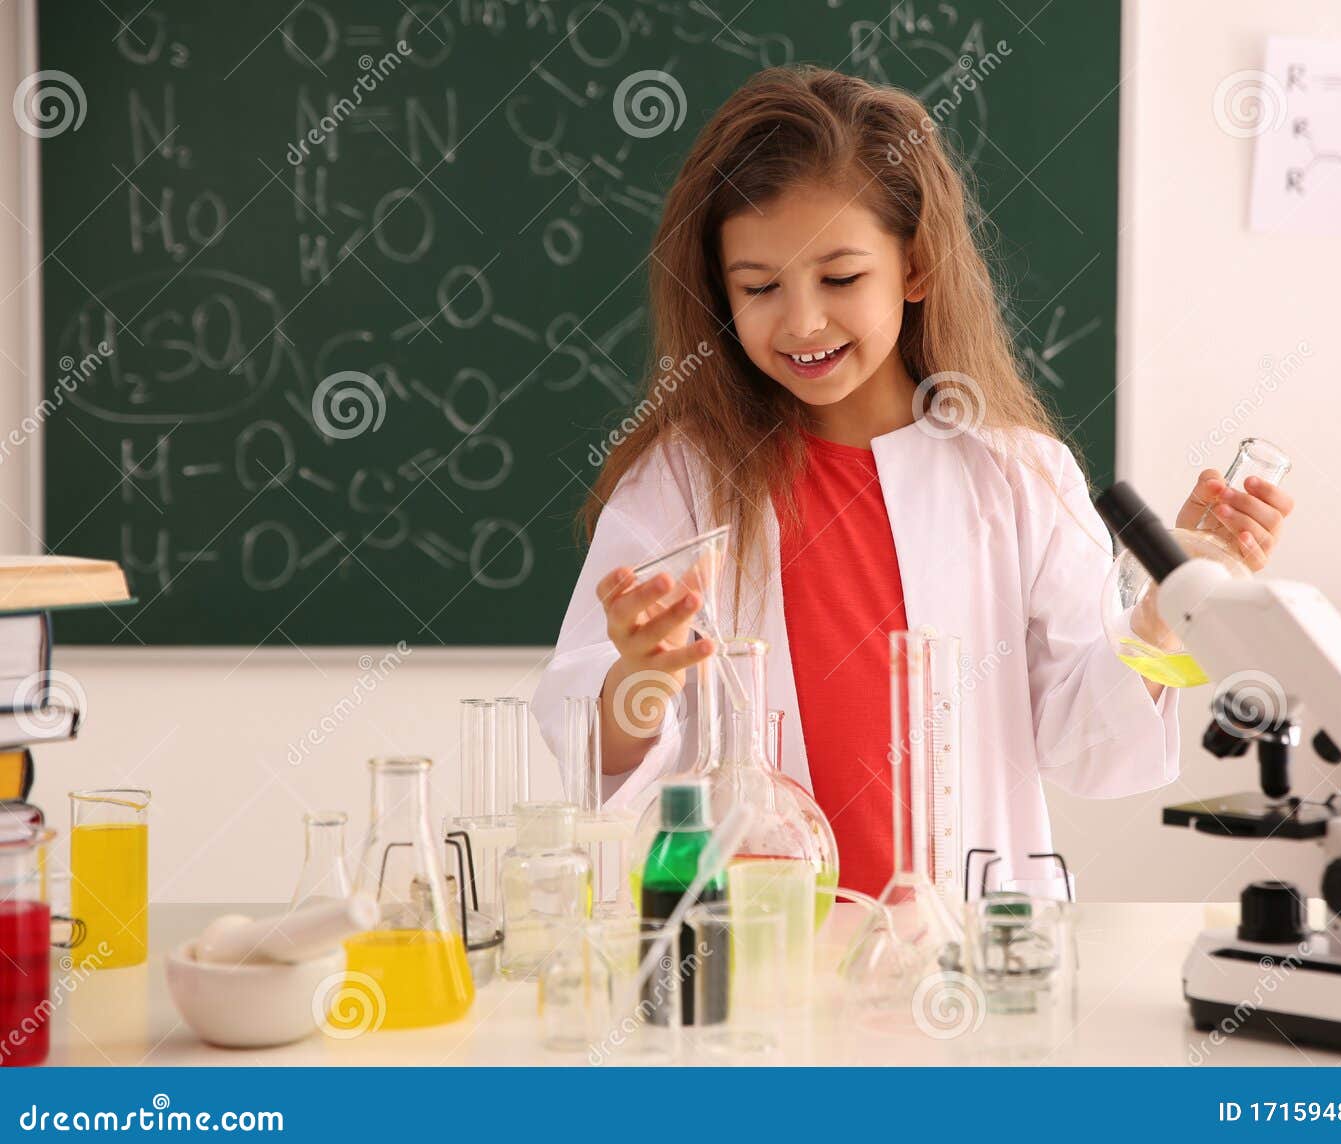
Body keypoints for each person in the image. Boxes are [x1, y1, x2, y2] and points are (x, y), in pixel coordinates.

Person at [531, 66, 1294, 898]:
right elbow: (595, 761)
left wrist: (1159, 610)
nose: (801, 321)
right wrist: (641, 673)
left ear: (917, 266)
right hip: (760, 952)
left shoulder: (1017, 472)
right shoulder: (680, 483)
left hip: (966, 956)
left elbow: (1091, 747)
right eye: (758, 288)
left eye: (841, 277)